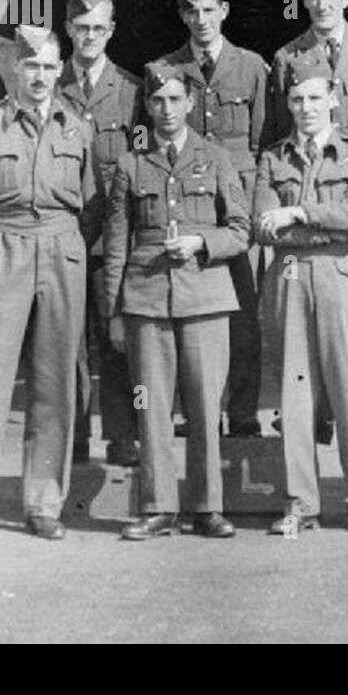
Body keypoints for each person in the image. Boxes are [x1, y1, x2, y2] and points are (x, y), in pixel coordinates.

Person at [0, 26, 101, 544]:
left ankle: (44, 503)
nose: (40, 76)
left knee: (55, 382)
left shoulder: (78, 129)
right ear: (15, 68)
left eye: (50, 67)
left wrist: (65, 248)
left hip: (60, 251)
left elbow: (91, 205)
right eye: (31, 66)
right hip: (2, 250)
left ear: (61, 71)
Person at [107, 64, 252, 541]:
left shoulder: (215, 158)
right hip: (147, 301)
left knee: (207, 407)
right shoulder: (131, 164)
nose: (166, 110)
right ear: (147, 106)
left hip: (205, 298)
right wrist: (114, 312)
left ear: (190, 104)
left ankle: (209, 506)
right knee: (151, 408)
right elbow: (116, 247)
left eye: (175, 100)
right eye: (158, 101)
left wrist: (199, 243)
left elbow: (240, 230)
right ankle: (159, 507)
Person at [255, 55, 348, 535]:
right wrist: (309, 226)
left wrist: (298, 215)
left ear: (333, 99)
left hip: (343, 279)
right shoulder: (273, 158)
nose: (306, 107)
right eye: (296, 99)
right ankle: (300, 503)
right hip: (290, 279)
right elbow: (262, 225)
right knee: (295, 392)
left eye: (315, 98)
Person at [268, 0, 348, 443]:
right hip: (305, 190)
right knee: (303, 311)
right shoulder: (287, 57)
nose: (322, 4)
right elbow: (279, 132)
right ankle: (310, 411)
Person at [153, 0, 267, 438]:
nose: (201, 20)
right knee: (186, 308)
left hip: (234, 207)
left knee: (242, 312)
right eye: (191, 11)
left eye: (208, 10)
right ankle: (192, 412)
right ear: (182, 15)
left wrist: (255, 211)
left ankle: (242, 412)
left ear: (224, 11)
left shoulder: (252, 67)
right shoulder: (165, 68)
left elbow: (262, 143)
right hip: (190, 207)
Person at [58, 0, 141, 466]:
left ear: (111, 31)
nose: (89, 37)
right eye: (81, 27)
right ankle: (74, 439)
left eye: (98, 28)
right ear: (69, 29)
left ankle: (122, 434)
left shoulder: (130, 94)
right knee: (68, 341)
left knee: (116, 336)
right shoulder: (50, 89)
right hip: (67, 237)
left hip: (111, 239)